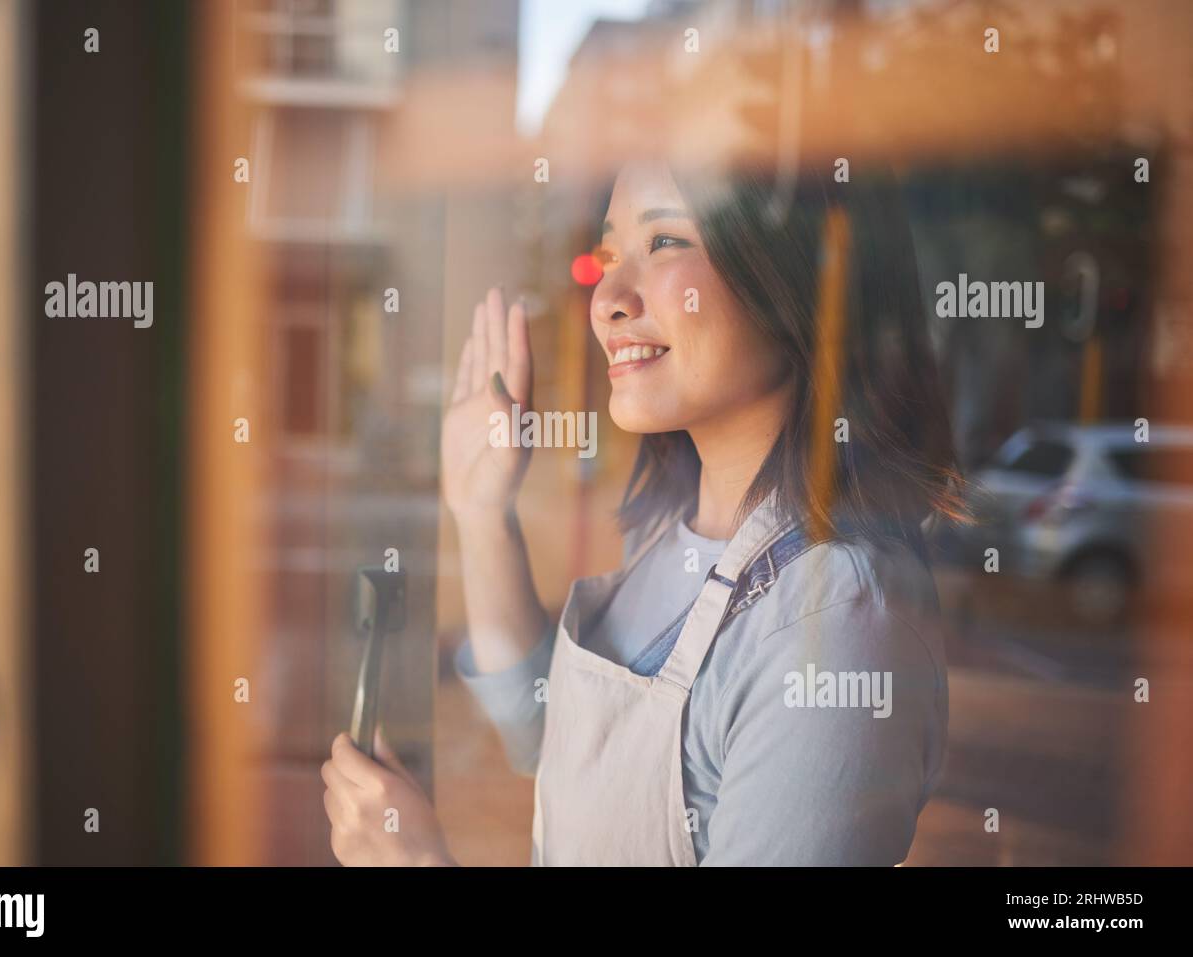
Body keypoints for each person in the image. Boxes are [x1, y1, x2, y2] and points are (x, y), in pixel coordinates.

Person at [321, 156, 967, 866]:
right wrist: (481, 512)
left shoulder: (836, 622)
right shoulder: (683, 537)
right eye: (607, 255)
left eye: (665, 242)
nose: (607, 300)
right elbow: (558, 739)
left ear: (797, 283)